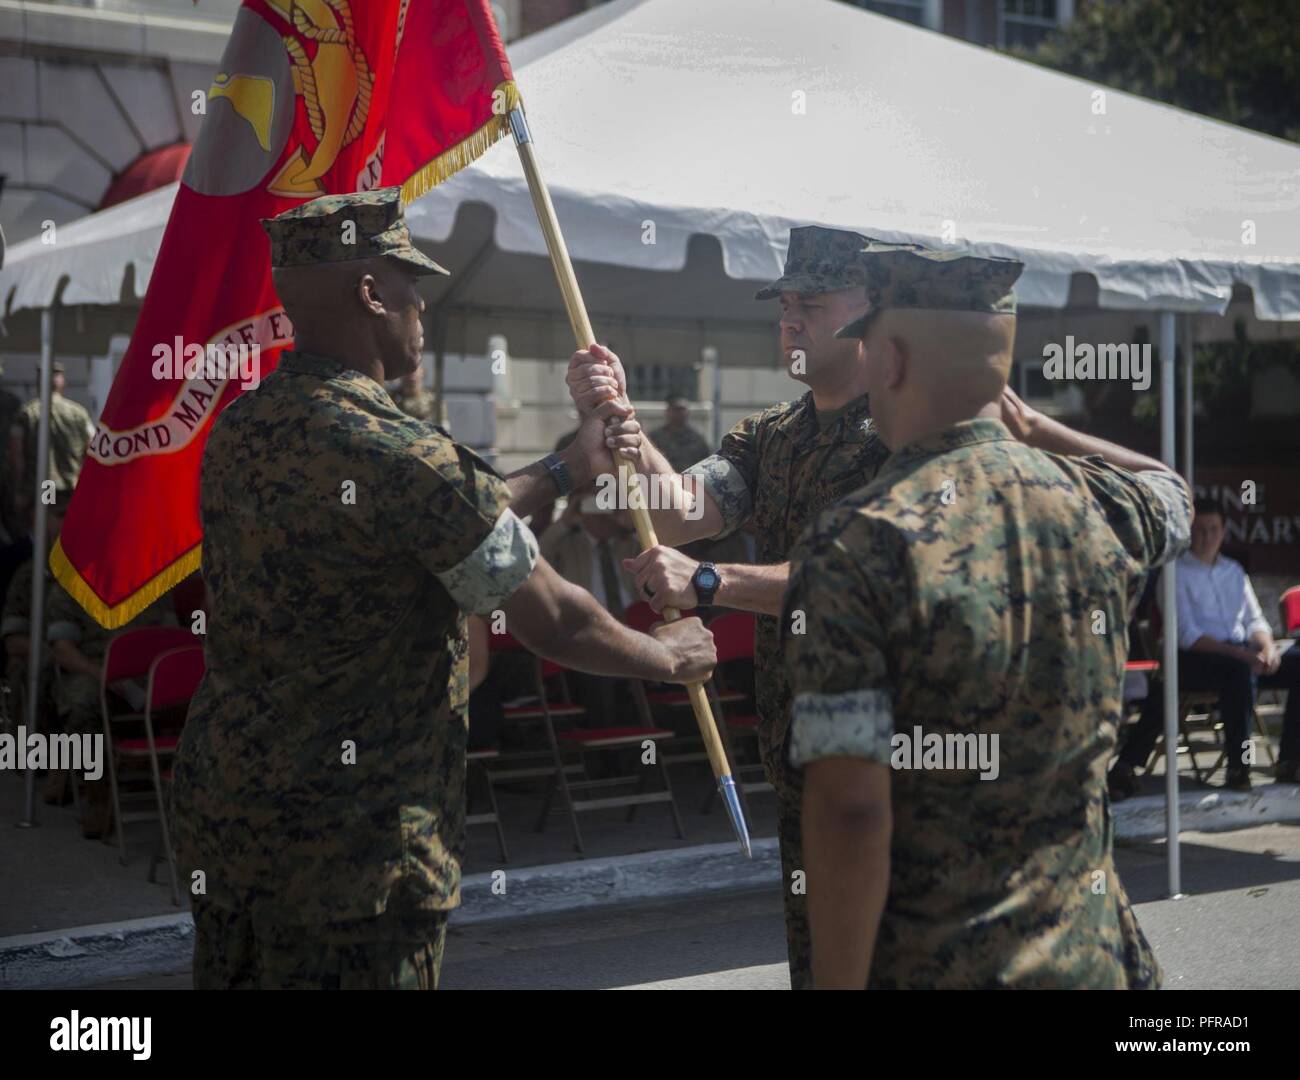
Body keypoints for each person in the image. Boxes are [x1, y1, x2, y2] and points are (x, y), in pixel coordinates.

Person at [170, 188, 715, 991]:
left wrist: (570, 466)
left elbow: (453, 516)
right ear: (370, 294)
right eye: (409, 284)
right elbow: (554, 621)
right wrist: (666, 655)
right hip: (355, 857)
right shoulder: (397, 453)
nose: (420, 304)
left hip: (232, 826)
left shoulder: (242, 430)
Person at [782, 242, 1191, 989]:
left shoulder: (859, 540)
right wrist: (1037, 433)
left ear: (893, 359)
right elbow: (1169, 488)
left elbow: (849, 809)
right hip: (1093, 964)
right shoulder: (1097, 504)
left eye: (868, 350)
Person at [566, 225, 887, 989]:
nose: (791, 320)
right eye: (783, 304)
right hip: (799, 753)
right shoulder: (773, 435)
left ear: (872, 310)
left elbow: (861, 583)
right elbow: (679, 512)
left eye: (811, 302)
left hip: (888, 764)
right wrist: (624, 427)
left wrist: (710, 585)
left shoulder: (904, 435)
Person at [1110, 498, 1300, 795]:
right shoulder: (1175, 572)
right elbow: (1186, 634)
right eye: (1199, 530)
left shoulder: (1233, 571)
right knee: (1238, 670)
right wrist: (1244, 656)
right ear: (1188, 532)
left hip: (1240, 653)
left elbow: (1255, 620)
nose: (1206, 537)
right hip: (1195, 658)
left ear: (1223, 532)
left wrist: (1267, 649)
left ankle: (1290, 761)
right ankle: (1239, 767)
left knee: (1296, 662)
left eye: (1213, 530)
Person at [9, 361, 96, 527]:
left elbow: (17, 456)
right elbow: (92, 452)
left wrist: (19, 490)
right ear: (63, 382)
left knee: (43, 539)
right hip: (71, 489)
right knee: (65, 542)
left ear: (39, 382)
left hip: (43, 488)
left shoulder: (28, 413)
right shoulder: (79, 413)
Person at [649, 395, 711, 473]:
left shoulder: (697, 439)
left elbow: (706, 464)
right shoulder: (655, 437)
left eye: (682, 409)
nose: (679, 413)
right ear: (668, 411)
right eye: (676, 410)